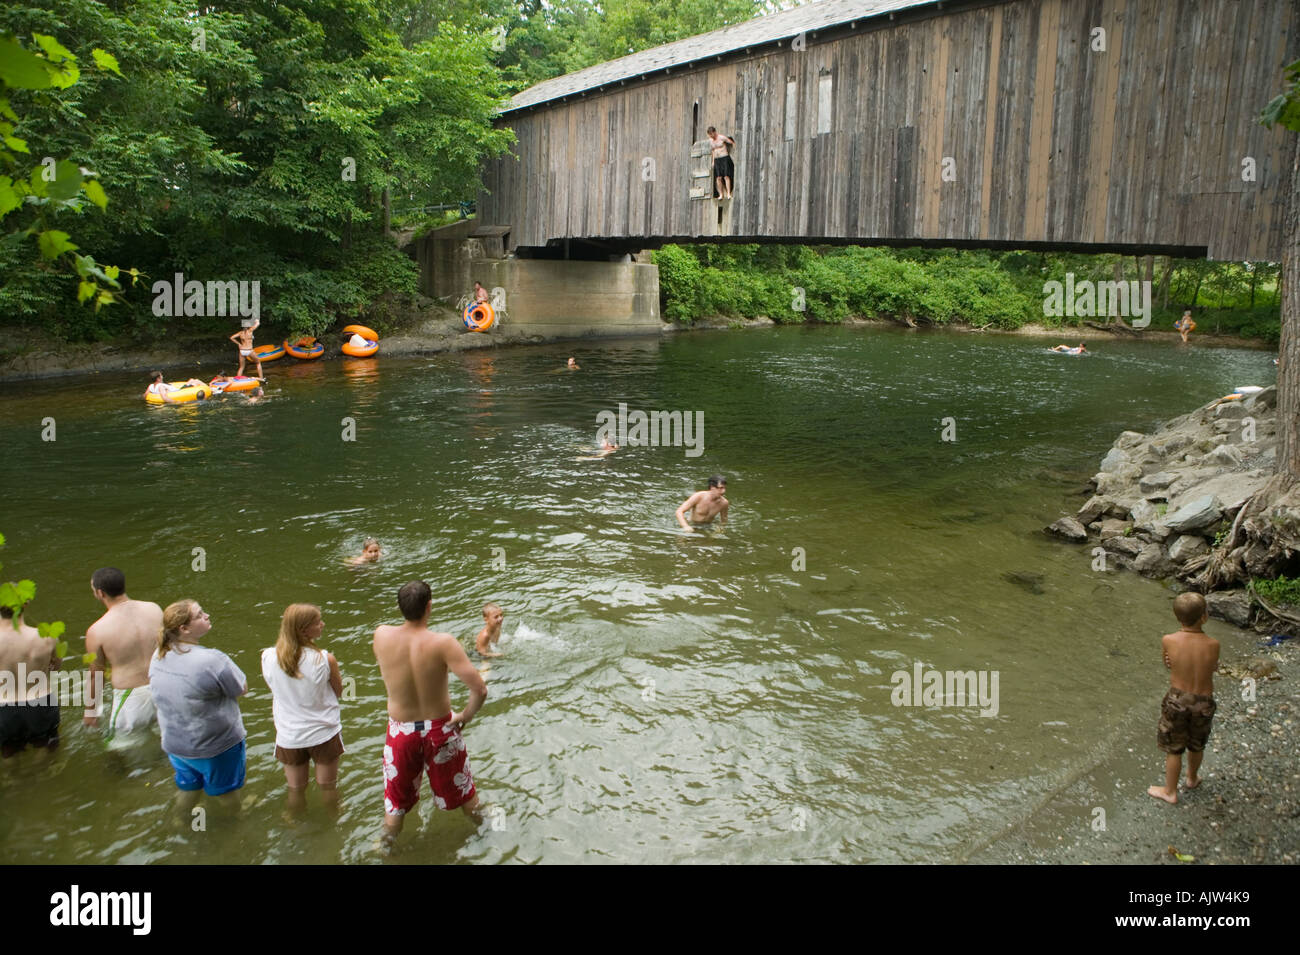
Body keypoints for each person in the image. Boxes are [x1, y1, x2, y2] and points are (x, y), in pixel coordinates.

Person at [373, 580, 486, 841]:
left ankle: (385, 847)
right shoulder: (443, 643)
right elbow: (479, 689)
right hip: (440, 730)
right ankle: (488, 834)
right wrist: (464, 717)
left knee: (395, 803)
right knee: (466, 793)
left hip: (401, 732)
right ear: (429, 607)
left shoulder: (381, 635)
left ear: (400, 607)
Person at [149, 600, 248, 810]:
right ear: (184, 629)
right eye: (200, 615)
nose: (207, 616)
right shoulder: (212, 659)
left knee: (188, 787)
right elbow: (241, 689)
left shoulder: (158, 654)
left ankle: (179, 820)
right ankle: (236, 821)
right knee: (226, 791)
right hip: (214, 746)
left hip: (175, 743)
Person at [261, 604, 344, 813]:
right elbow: (339, 691)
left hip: (290, 735)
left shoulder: (269, 657)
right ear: (303, 630)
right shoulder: (324, 658)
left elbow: (274, 687)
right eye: (318, 622)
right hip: (322, 732)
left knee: (295, 790)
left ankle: (295, 822)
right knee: (328, 787)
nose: (322, 624)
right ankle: (333, 823)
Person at [1147, 592, 1219, 805]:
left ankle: (1170, 791)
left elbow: (1168, 664)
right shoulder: (1213, 644)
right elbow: (1212, 667)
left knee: (1174, 747)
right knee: (1197, 744)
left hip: (1177, 700)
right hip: (1204, 700)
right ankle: (1192, 778)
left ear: (1177, 618)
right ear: (1204, 617)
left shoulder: (1169, 640)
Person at [85, 567, 163, 746]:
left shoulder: (97, 630)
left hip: (131, 699)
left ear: (99, 593)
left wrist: (91, 712)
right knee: (166, 745)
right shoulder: (154, 609)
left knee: (122, 751)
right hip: (163, 688)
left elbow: (95, 676)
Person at [0, 601, 61, 758]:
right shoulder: (47, 636)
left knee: (8, 751)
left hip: (4, 708)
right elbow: (56, 667)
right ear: (25, 604)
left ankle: (12, 777)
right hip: (40, 703)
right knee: (46, 748)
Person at [707, 126, 736, 200]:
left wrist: (735, 152)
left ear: (714, 132)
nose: (711, 136)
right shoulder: (710, 141)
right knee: (718, 178)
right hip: (717, 159)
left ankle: (729, 193)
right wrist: (713, 161)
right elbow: (713, 150)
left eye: (711, 134)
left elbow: (732, 142)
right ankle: (721, 194)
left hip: (724, 157)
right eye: (709, 135)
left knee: (726, 176)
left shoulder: (721, 138)